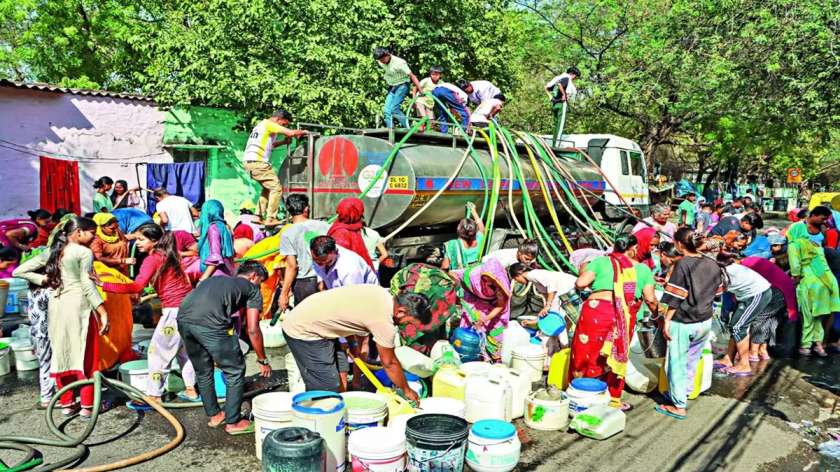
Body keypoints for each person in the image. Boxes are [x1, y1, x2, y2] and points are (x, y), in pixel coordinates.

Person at [16, 216, 109, 417]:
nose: (94, 237)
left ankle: (67, 403)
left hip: (57, 306)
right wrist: (102, 311)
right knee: (87, 356)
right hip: (79, 306)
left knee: (62, 354)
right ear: (79, 232)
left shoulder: (52, 251)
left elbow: (19, 271)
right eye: (92, 233)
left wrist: (43, 279)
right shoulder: (84, 252)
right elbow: (87, 284)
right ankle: (87, 406)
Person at [98, 223, 198, 404]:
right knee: (185, 350)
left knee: (157, 353)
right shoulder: (169, 254)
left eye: (141, 239)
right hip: (191, 307)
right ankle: (191, 389)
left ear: (154, 240)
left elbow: (137, 286)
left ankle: (155, 396)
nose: (137, 243)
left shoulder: (152, 259)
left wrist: (103, 284)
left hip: (174, 311)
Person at [282, 284, 425, 400]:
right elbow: (389, 363)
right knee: (327, 388)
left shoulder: (381, 293)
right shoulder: (384, 321)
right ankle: (319, 426)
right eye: (409, 322)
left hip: (314, 318)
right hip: (304, 330)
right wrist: (407, 390)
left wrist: (352, 345)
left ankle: (337, 414)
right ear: (401, 312)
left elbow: (348, 313)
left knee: (342, 372)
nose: (407, 326)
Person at [177, 261, 271, 435]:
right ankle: (233, 421)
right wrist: (262, 359)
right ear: (254, 276)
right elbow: (252, 329)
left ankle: (215, 415)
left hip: (183, 320)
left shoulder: (215, 279)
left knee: (203, 371)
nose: (260, 285)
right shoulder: (252, 289)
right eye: (261, 281)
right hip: (210, 323)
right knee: (234, 370)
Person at [570, 235, 657, 411]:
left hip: (596, 311)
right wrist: (658, 316)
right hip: (622, 317)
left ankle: (580, 393)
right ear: (632, 249)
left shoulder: (601, 262)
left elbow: (581, 283)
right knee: (615, 353)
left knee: (587, 351)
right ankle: (611, 399)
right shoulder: (642, 269)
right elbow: (651, 299)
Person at [656, 229, 724, 420]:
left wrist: (666, 321)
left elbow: (675, 297)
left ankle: (678, 405)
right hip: (704, 320)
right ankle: (683, 393)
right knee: (692, 359)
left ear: (679, 244)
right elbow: (718, 292)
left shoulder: (683, 264)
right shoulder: (711, 262)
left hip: (684, 320)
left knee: (677, 362)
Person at [714, 252, 775, 375]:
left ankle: (744, 364)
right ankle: (728, 359)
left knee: (738, 327)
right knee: (734, 325)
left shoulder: (719, 271)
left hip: (757, 294)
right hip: (746, 295)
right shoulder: (719, 268)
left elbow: (715, 293)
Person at [243, 110, 307, 226]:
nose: (283, 127)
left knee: (267, 188)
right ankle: (271, 218)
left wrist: (283, 142)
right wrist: (304, 132)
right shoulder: (269, 124)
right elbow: (291, 133)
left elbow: (270, 145)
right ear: (278, 119)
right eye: (284, 124)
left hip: (250, 162)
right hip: (258, 162)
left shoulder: (260, 126)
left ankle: (258, 216)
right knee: (276, 188)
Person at [787, 220, 840, 357]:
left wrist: (795, 279)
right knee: (819, 316)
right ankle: (818, 345)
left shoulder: (794, 245)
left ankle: (806, 346)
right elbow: (823, 267)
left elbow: (795, 267)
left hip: (808, 284)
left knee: (807, 316)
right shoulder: (816, 245)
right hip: (824, 284)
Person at [12, 247, 53, 408]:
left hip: (36, 333)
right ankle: (56, 394)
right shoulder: (49, 290)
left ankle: (46, 398)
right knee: (54, 363)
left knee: (44, 364)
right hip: (49, 331)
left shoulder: (31, 289)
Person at [450, 258, 513, 362]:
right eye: (485, 278)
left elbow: (500, 306)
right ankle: (474, 356)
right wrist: (454, 292)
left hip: (494, 307)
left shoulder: (501, 286)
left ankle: (495, 358)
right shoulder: (473, 274)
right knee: (471, 332)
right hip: (474, 301)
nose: (487, 280)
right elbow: (452, 274)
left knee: (494, 333)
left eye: (491, 279)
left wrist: (485, 319)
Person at [389, 263, 460, 353]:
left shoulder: (445, 291)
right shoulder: (410, 300)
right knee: (412, 333)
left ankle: (432, 345)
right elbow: (408, 328)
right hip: (411, 289)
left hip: (431, 288)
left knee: (432, 327)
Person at [278, 194, 331, 311]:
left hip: (304, 284)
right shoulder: (326, 227)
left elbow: (292, 266)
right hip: (327, 279)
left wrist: (284, 293)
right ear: (306, 209)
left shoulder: (287, 233)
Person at [741, 256, 798, 361]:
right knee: (769, 319)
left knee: (759, 318)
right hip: (785, 289)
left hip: (778, 290)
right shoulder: (752, 260)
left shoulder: (743, 267)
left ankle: (754, 352)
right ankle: (762, 350)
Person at [373, 47, 423, 129]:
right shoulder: (379, 61)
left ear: (388, 55)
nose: (382, 62)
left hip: (403, 85)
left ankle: (408, 128)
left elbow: (412, 76)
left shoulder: (400, 62)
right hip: (392, 86)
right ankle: (391, 130)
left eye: (383, 59)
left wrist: (420, 90)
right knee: (386, 111)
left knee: (394, 109)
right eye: (380, 60)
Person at [310, 236, 378, 290]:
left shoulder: (349, 268)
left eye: (328, 262)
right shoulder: (315, 253)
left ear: (335, 251)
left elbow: (353, 297)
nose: (321, 266)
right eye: (317, 262)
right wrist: (321, 281)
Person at [327, 197, 375, 269]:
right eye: (360, 213)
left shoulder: (351, 229)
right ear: (354, 214)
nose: (361, 216)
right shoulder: (341, 233)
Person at [195, 200, 236, 282]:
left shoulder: (213, 228)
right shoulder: (226, 228)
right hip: (228, 275)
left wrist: (202, 280)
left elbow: (216, 257)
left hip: (215, 277)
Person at [442, 203, 485, 270]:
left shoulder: (453, 245)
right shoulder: (479, 239)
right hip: (475, 274)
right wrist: (474, 211)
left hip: (460, 278)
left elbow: (445, 267)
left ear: (459, 230)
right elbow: (482, 229)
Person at [414, 66, 443, 131]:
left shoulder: (441, 83)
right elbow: (415, 87)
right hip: (421, 100)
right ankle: (421, 128)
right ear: (430, 74)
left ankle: (431, 129)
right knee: (423, 117)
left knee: (431, 122)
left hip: (430, 103)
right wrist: (414, 99)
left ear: (440, 75)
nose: (434, 76)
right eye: (433, 74)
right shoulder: (426, 80)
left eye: (437, 75)